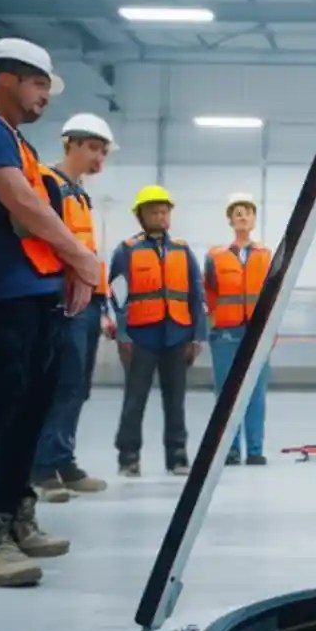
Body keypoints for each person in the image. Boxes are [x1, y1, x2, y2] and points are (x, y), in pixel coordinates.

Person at [0, 37, 101, 587]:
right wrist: (81, 258)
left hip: (31, 290)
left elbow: (36, 212)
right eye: (37, 83)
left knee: (32, 406)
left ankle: (16, 512)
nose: (44, 97)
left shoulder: (18, 142)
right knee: (0, 408)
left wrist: (64, 272)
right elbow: (25, 205)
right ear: (4, 77)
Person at [30, 114, 118, 502]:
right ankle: (42, 468)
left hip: (87, 299)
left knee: (77, 388)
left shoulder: (77, 192)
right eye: (95, 148)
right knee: (60, 385)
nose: (101, 158)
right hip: (63, 300)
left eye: (104, 151)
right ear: (73, 144)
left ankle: (62, 460)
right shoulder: (47, 183)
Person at [109, 185, 207, 477]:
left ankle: (177, 456)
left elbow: (196, 294)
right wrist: (123, 336)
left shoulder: (182, 249)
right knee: (134, 399)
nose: (161, 216)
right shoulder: (126, 250)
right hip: (141, 337)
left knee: (175, 400)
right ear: (141, 215)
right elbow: (116, 294)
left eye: (165, 211)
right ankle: (129, 458)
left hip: (177, 335)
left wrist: (196, 336)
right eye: (154, 211)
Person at [204, 192, 272, 466]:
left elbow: (275, 293)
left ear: (254, 219)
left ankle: (255, 450)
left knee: (255, 392)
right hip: (225, 333)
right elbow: (208, 292)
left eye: (247, 211)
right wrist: (215, 322)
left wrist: (270, 331)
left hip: (258, 332)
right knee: (226, 393)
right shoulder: (216, 256)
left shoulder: (267, 255)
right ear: (230, 220)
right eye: (237, 212)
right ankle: (229, 449)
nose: (242, 216)